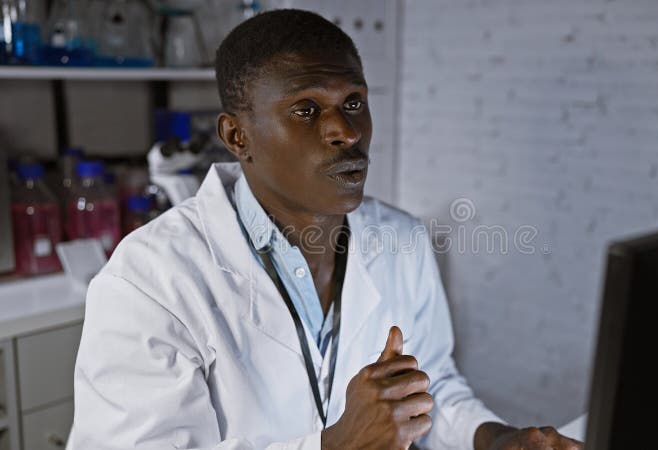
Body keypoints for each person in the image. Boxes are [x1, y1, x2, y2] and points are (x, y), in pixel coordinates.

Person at [68, 9, 583, 450]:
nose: (346, 131)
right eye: (306, 109)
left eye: (354, 102)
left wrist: (494, 439)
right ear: (237, 136)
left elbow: (432, 389)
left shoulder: (402, 241)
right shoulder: (149, 283)